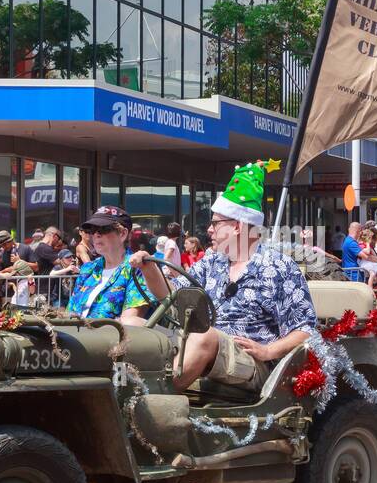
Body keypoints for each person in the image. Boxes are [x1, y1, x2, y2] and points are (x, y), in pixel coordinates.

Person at [135, 161, 316, 392]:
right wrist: (148, 268)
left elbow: (306, 328)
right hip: (198, 344)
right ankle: (119, 393)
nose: (209, 230)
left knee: (204, 337)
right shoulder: (212, 261)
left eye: (215, 223)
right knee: (132, 325)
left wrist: (269, 351)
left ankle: (153, 400)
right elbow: (171, 295)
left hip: (252, 362)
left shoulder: (279, 267)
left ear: (238, 226)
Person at [66, 205, 155, 325]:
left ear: (123, 234)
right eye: (92, 230)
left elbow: (129, 323)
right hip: (75, 338)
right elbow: (68, 313)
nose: (96, 235)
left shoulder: (137, 269)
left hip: (109, 340)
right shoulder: (88, 269)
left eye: (103, 229)